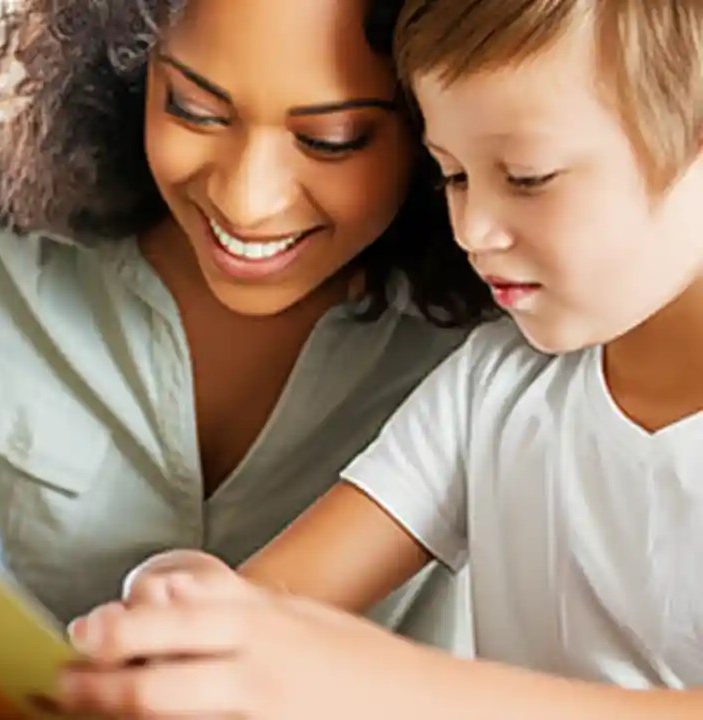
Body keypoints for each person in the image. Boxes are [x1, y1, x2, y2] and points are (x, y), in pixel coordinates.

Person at [0, 0, 495, 644]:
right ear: (124, 65)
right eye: (194, 111)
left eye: (330, 141)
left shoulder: (510, 320)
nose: (247, 199)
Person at [59, 0, 703, 717]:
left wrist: (386, 684)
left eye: (526, 177)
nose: (474, 230)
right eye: (453, 176)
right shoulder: (493, 386)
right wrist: (192, 608)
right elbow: (279, 598)